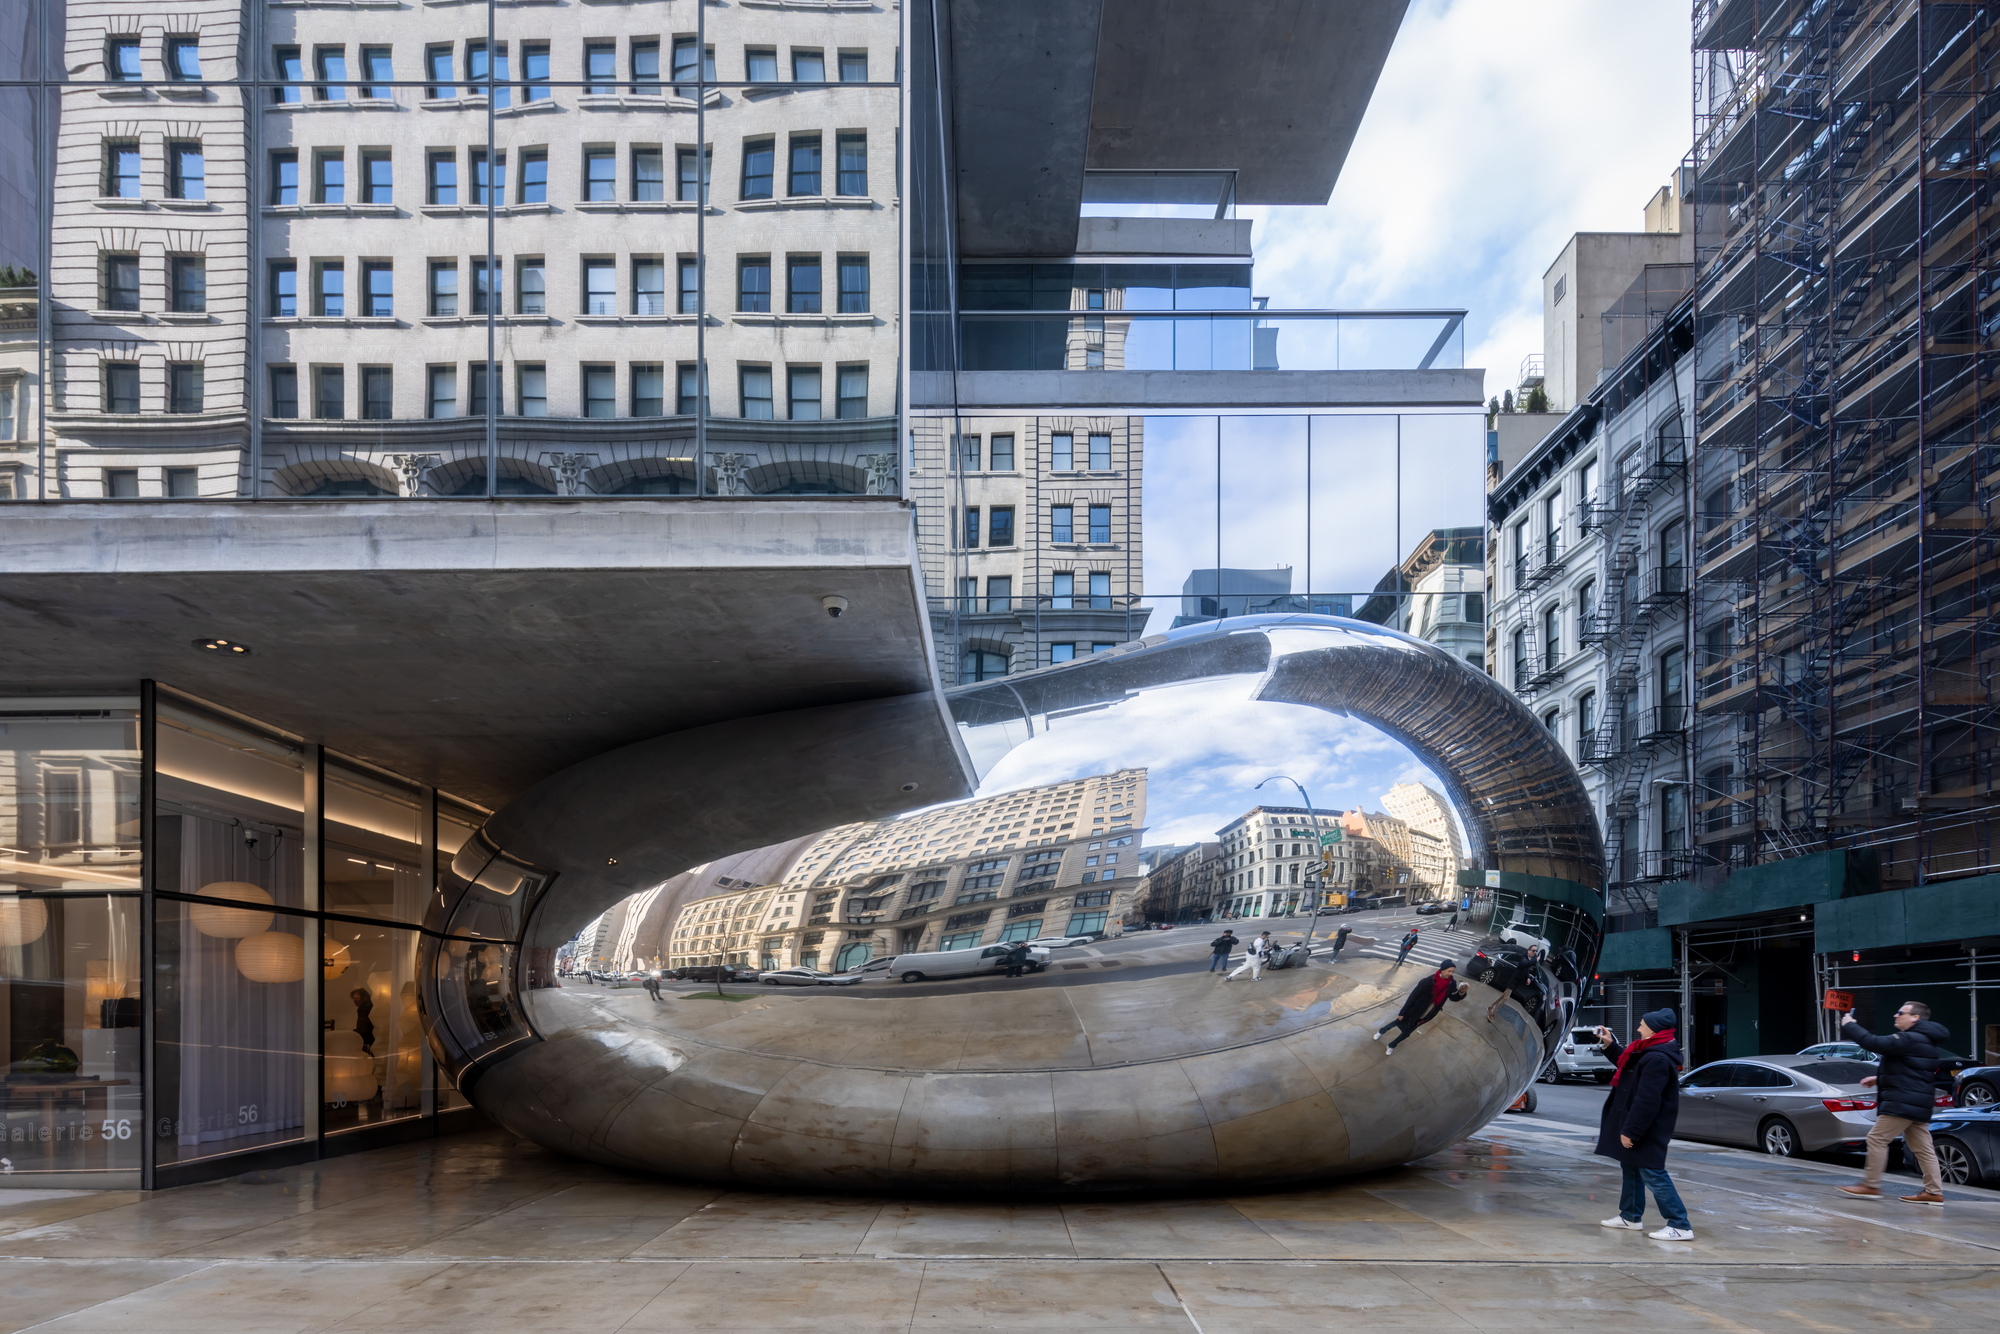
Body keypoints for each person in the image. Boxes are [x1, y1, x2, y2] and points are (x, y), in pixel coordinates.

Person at [1837, 1001, 1949, 1204]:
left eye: (1901, 1012)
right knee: (1923, 1148)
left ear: (1915, 1017)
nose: (1895, 1016)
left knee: (1877, 1139)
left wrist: (1850, 1024)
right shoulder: (1925, 1040)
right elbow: (1911, 1071)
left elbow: (1874, 1043)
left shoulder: (1910, 1038)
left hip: (1903, 1101)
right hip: (1917, 1101)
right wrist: (1879, 1079)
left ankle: (1870, 1185)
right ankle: (1933, 1192)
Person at [1594, 1009, 1693, 1240]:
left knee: (1652, 1172)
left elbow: (1647, 1100)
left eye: (1642, 1025)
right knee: (1631, 1166)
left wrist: (1631, 1131)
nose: (1638, 1029)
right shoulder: (1649, 1051)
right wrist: (1610, 1045)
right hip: (1641, 1125)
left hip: (1648, 1128)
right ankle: (1630, 1216)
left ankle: (1680, 1224)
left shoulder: (1657, 1058)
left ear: (1654, 1029)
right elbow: (1627, 1064)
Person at [1373, 960, 1466, 1053]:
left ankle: (1392, 1045)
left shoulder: (1451, 983)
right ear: (1442, 970)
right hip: (1413, 1011)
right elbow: (1412, 997)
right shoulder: (1427, 982)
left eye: (1452, 972)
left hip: (1427, 1015)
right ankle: (1381, 1031)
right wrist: (1402, 1013)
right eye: (1449, 971)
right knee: (1396, 1023)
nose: (1450, 974)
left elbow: (1453, 997)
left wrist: (1462, 991)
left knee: (1407, 1033)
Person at [349, 987, 375, 1054]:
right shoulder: (368, 1005)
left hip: (367, 1037)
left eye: (357, 998)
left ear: (364, 997)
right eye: (353, 998)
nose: (354, 1000)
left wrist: (355, 1033)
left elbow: (363, 1026)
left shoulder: (364, 1009)